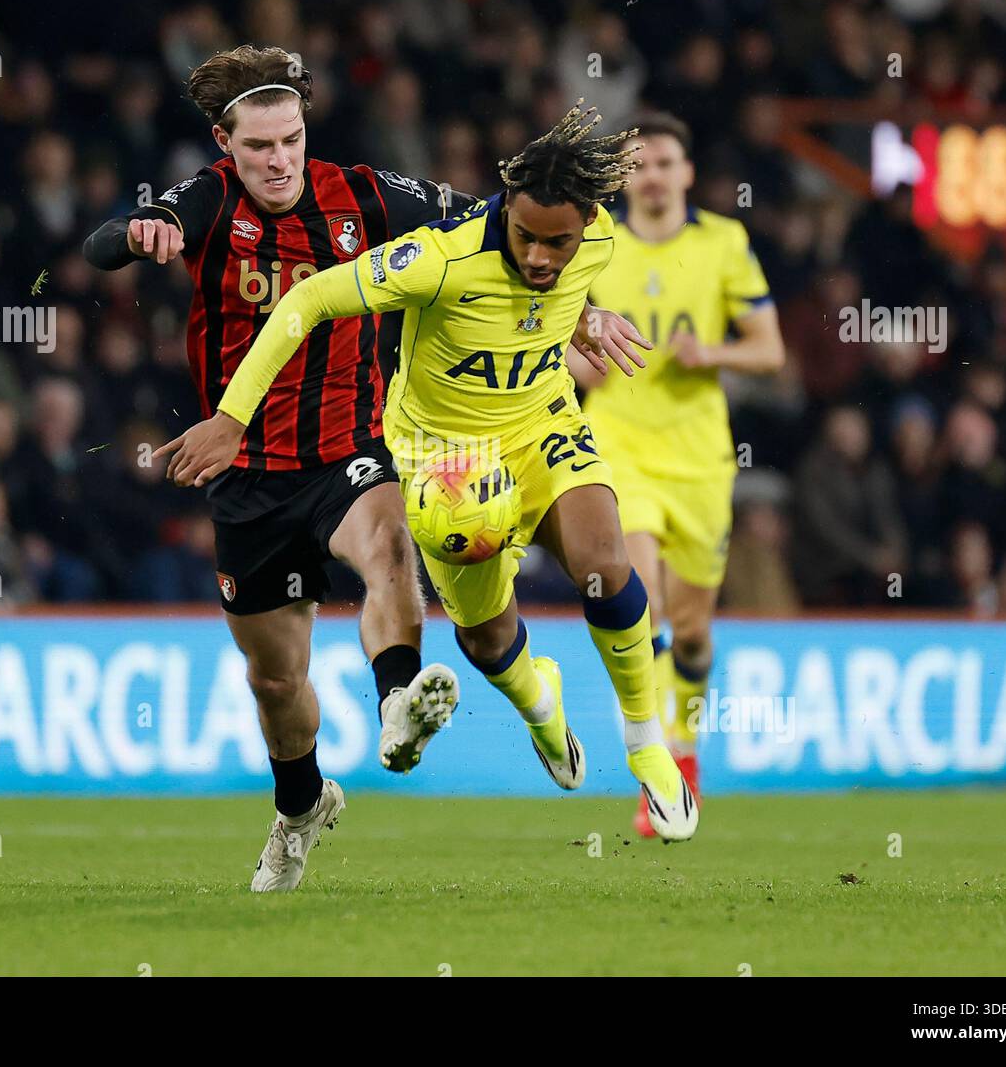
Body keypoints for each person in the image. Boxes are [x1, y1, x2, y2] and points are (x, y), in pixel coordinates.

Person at [158, 103, 699, 843]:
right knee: (483, 640)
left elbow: (560, 291)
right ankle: (543, 710)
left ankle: (647, 747)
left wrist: (589, 317)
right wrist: (232, 416)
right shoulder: (436, 259)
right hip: (446, 459)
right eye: (527, 239)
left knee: (606, 562)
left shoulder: (598, 237)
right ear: (506, 211)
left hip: (544, 428)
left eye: (559, 245)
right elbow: (309, 299)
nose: (542, 258)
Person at [83, 45, 476, 892]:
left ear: (305, 131)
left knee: (389, 551)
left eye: (291, 141)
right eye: (259, 147)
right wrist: (139, 233)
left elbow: (482, 223)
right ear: (227, 143)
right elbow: (102, 244)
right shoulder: (211, 199)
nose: (278, 160)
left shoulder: (365, 193)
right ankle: (301, 807)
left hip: (349, 445)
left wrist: (569, 281)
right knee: (276, 679)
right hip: (248, 470)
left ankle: (399, 703)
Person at [567, 113, 784, 832]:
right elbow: (562, 342)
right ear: (623, 178)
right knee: (646, 603)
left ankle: (683, 748)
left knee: (691, 632)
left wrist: (711, 354)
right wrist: (570, 364)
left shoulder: (724, 242)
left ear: (687, 173)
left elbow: (769, 350)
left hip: (699, 460)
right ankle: (654, 764)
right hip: (618, 447)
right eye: (640, 164)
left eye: (665, 162)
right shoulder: (594, 243)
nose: (652, 175)